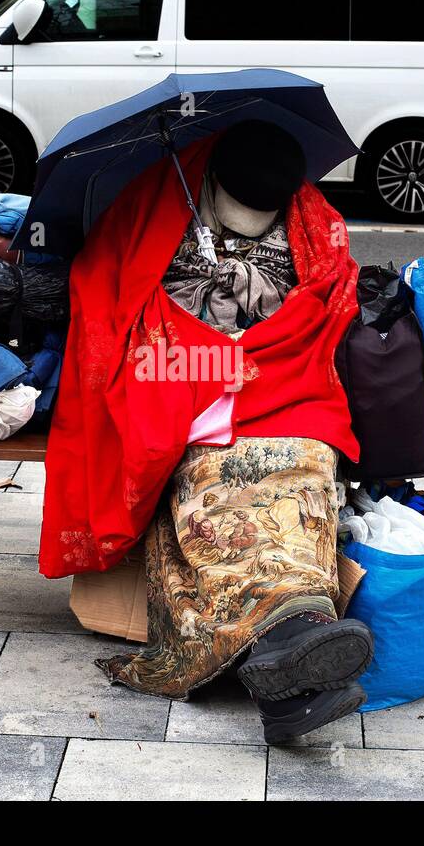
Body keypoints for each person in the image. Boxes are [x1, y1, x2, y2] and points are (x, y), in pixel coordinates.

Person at [40, 120, 372, 743]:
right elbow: (120, 312)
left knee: (304, 467)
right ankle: (295, 641)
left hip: (285, 386)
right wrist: (202, 322)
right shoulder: (157, 204)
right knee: (215, 478)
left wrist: (262, 317)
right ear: (214, 180)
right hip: (181, 386)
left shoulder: (313, 223)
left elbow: (325, 310)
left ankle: (287, 670)